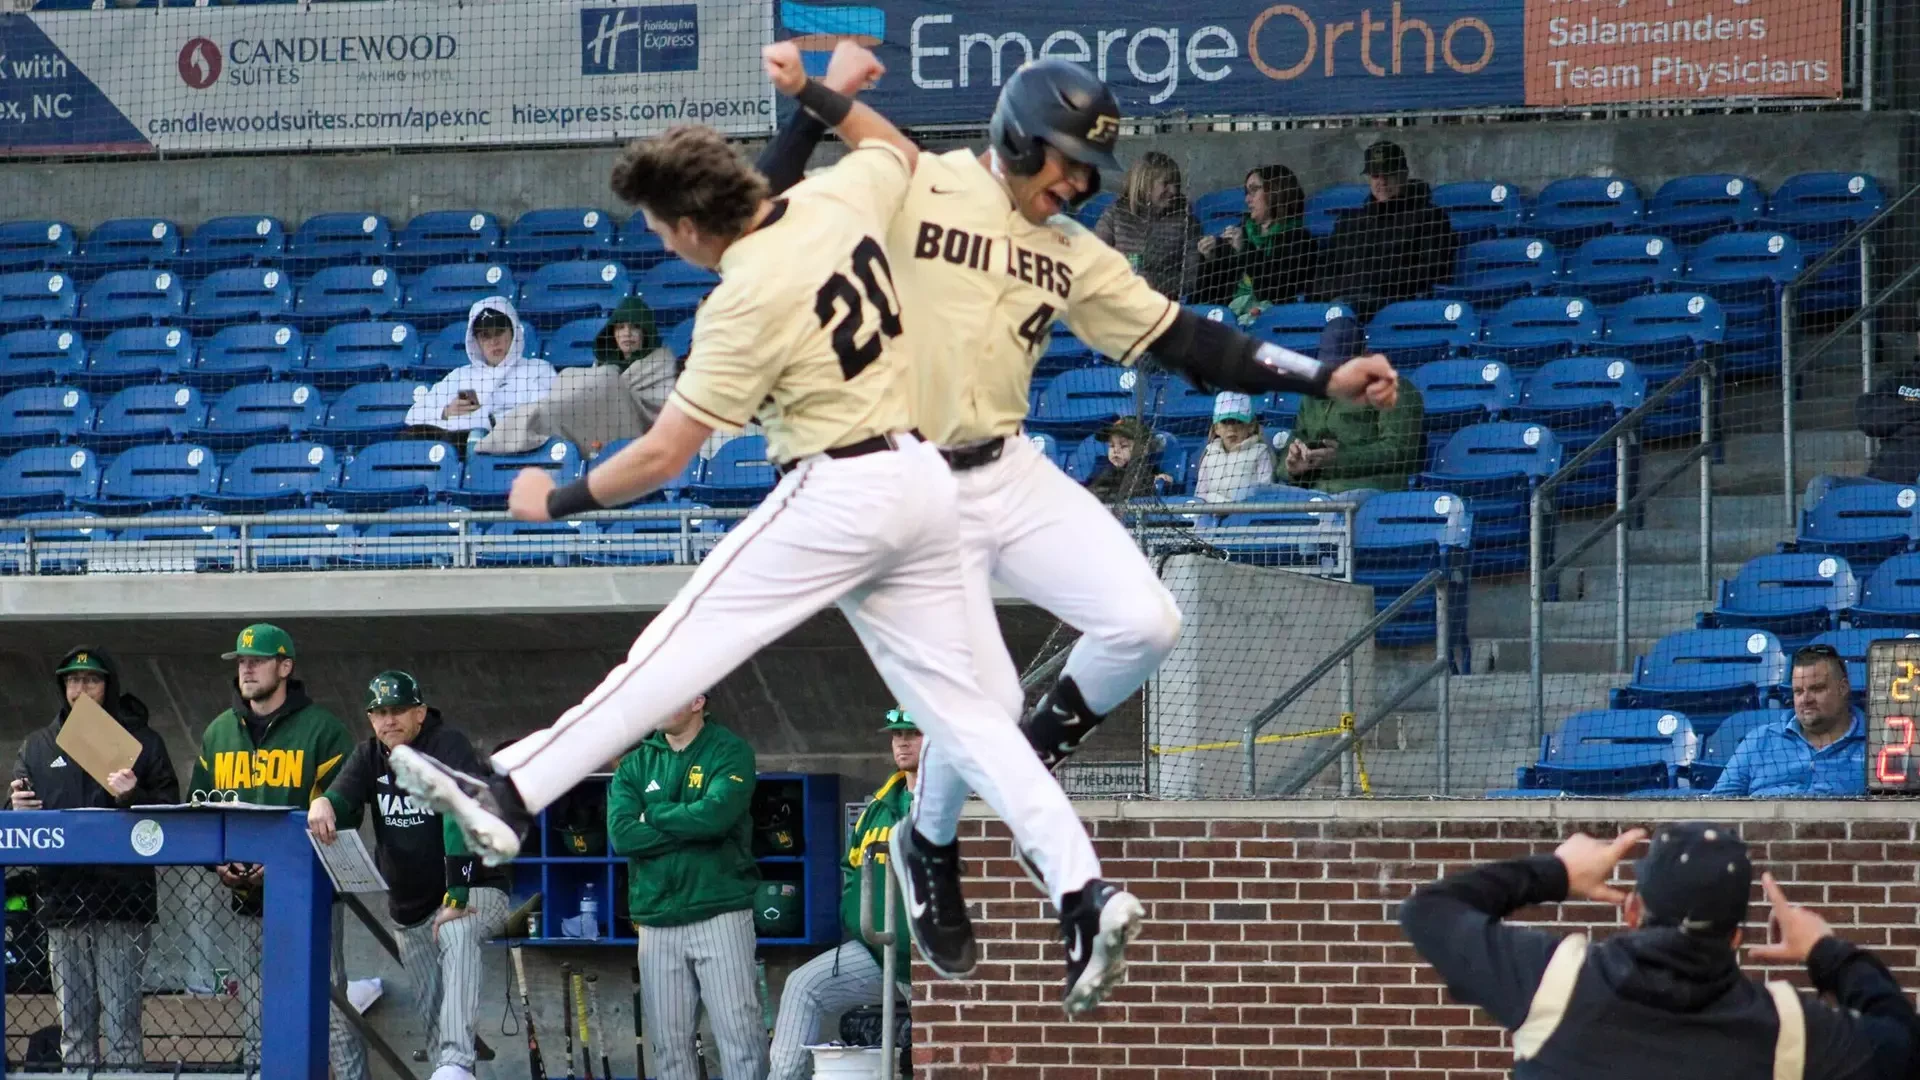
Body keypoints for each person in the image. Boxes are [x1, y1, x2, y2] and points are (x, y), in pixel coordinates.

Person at [389, 41, 1140, 1016]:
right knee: (979, 717)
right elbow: (889, 154)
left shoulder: (741, 305)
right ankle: (1083, 890)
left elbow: (662, 457)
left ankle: (509, 790)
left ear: (690, 226)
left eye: (663, 230)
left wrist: (552, 501)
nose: (664, 245)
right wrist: (824, 94)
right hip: (925, 479)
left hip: (837, 490)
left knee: (674, 653)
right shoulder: (838, 198)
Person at [747, 56, 1402, 987]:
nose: (1082, 184)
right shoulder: (920, 184)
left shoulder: (1068, 248)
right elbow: (753, 217)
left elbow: (1193, 341)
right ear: (1017, 140)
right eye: (1067, 162)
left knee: (1146, 622)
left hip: (1006, 466)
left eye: (1092, 170)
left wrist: (1321, 375)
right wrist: (813, 110)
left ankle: (1028, 762)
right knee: (976, 700)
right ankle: (928, 843)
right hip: (902, 482)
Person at [1400, 823, 1916, 1079]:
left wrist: (1556, 872)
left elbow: (1427, 911)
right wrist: (1827, 952)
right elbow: (1906, 1048)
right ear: (1736, 937)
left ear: (1633, 910)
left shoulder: (1554, 983)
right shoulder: (1791, 1030)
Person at [307, 672, 511, 1080]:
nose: (389, 720)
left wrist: (457, 892)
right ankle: (452, 1067)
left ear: (419, 712)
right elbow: (341, 798)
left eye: (398, 710)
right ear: (370, 719)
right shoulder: (369, 755)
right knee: (433, 1015)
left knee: (457, 931)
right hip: (411, 907)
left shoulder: (446, 745)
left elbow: (458, 817)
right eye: (380, 712)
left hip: (476, 887)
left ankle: (457, 1060)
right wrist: (323, 804)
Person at [186, 623, 364, 1080]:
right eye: (242, 662)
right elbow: (199, 809)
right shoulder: (218, 732)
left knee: (330, 1007)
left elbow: (347, 813)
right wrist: (218, 862)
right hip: (247, 900)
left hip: (312, 898)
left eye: (258, 661)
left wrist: (287, 859)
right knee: (257, 1013)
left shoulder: (323, 730)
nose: (246, 669)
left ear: (285, 667)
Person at [9, 647, 178, 1072]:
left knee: (123, 1029)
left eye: (91, 680)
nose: (80, 689)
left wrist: (132, 796)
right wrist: (16, 807)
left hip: (122, 901)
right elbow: (15, 818)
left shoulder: (142, 742)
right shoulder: (37, 745)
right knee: (74, 1031)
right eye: (72, 681)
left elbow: (172, 811)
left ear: (109, 685)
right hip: (61, 901)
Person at [606, 694, 764, 1080]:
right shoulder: (636, 763)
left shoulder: (729, 750)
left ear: (697, 700)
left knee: (740, 1034)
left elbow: (715, 817)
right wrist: (689, 824)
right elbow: (622, 835)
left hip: (720, 910)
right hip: (656, 917)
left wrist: (654, 815)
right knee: (669, 1045)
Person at [768, 709, 919, 1080]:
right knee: (803, 986)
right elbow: (850, 869)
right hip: (878, 952)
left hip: (933, 961)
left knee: (943, 1043)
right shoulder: (877, 808)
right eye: (896, 734)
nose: (901, 742)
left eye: (913, 733)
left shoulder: (956, 804)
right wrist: (855, 916)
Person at [478, 294, 679, 457]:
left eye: (634, 327)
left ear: (645, 331)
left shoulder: (661, 361)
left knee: (602, 378)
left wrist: (612, 384)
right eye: (620, 327)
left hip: (638, 435)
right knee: (567, 381)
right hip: (598, 429)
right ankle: (504, 430)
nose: (626, 333)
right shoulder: (602, 363)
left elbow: (661, 409)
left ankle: (507, 428)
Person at [1278, 317, 1424, 494]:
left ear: (1365, 355)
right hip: (1313, 491)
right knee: (1258, 494)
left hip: (1368, 492)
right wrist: (1293, 469)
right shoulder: (1313, 395)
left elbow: (1400, 452)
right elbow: (1292, 445)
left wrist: (1341, 459)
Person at [1316, 140, 1456, 318]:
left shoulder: (1430, 217)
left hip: (1398, 306)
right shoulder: (1349, 221)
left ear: (1404, 175)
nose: (1382, 182)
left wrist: (1372, 280)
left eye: (1389, 174)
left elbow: (1431, 270)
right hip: (1344, 303)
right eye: (1376, 175)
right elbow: (1324, 272)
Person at [1711, 644, 1867, 797]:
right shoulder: (1759, 740)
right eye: (1798, 691)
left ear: (1843, 688)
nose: (1805, 700)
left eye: (1816, 689)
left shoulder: (1872, 744)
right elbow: (1716, 805)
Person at [406, 296, 557, 445]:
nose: (494, 342)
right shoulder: (460, 376)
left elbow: (546, 416)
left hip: (511, 446)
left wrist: (489, 420)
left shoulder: (537, 370)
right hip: (456, 444)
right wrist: (446, 411)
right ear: (476, 342)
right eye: (485, 336)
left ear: (513, 333)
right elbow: (413, 416)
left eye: (499, 332)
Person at [1194, 164, 1317, 313]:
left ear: (1277, 191)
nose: (1247, 199)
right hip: (1228, 317)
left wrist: (1245, 250)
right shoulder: (1242, 232)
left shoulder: (1300, 239)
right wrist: (1210, 260)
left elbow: (1275, 293)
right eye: (1246, 192)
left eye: (1254, 190)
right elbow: (1205, 295)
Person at [1093, 151, 1200, 301]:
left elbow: (1191, 278)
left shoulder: (1187, 221)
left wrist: (1156, 284)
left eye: (1176, 184)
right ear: (1145, 184)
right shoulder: (1115, 214)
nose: (1173, 191)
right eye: (1166, 183)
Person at [1854, 311, 1920, 483]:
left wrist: (1901, 414)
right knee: (1822, 487)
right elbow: (1868, 418)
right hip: (1888, 479)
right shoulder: (1897, 380)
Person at [1194, 392, 1275, 504]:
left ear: (1251, 426)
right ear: (1216, 428)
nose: (1231, 428)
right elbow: (1200, 493)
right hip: (1210, 510)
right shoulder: (1210, 453)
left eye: (1237, 421)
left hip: (1245, 510)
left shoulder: (1260, 452)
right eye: (1225, 422)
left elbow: (1265, 489)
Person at [1085, 417, 1168, 503]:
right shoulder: (1103, 468)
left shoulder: (1146, 472)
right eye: (1111, 446)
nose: (1115, 450)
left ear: (1143, 449)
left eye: (1124, 446)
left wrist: (1162, 479)